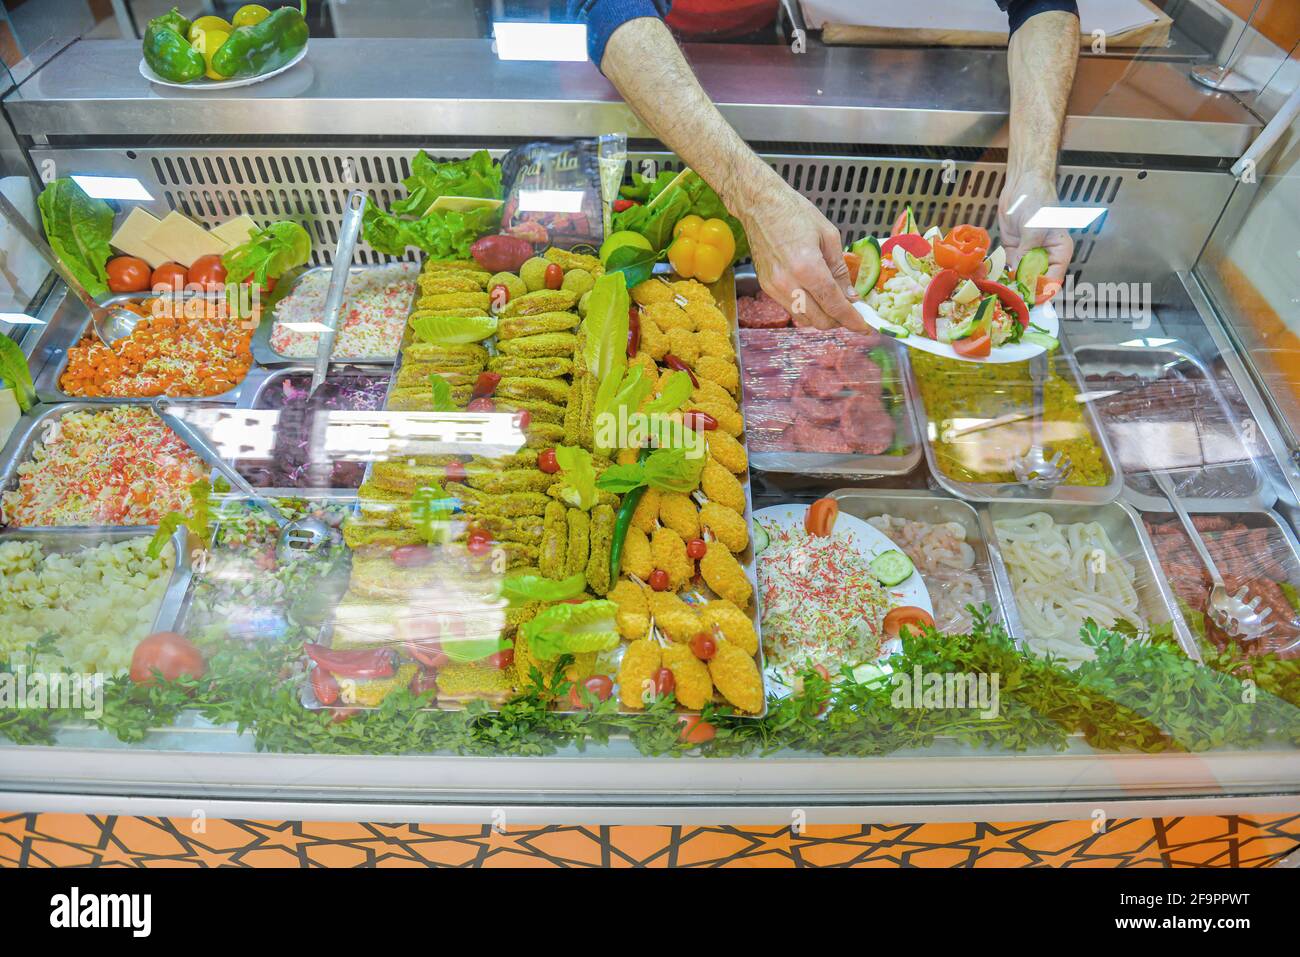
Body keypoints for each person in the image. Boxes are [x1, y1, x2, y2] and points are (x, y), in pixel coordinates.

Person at [568, 1, 1080, 330]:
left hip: (789, 47)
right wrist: (754, 198)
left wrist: (1033, 175)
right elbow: (612, 7)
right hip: (654, 58)